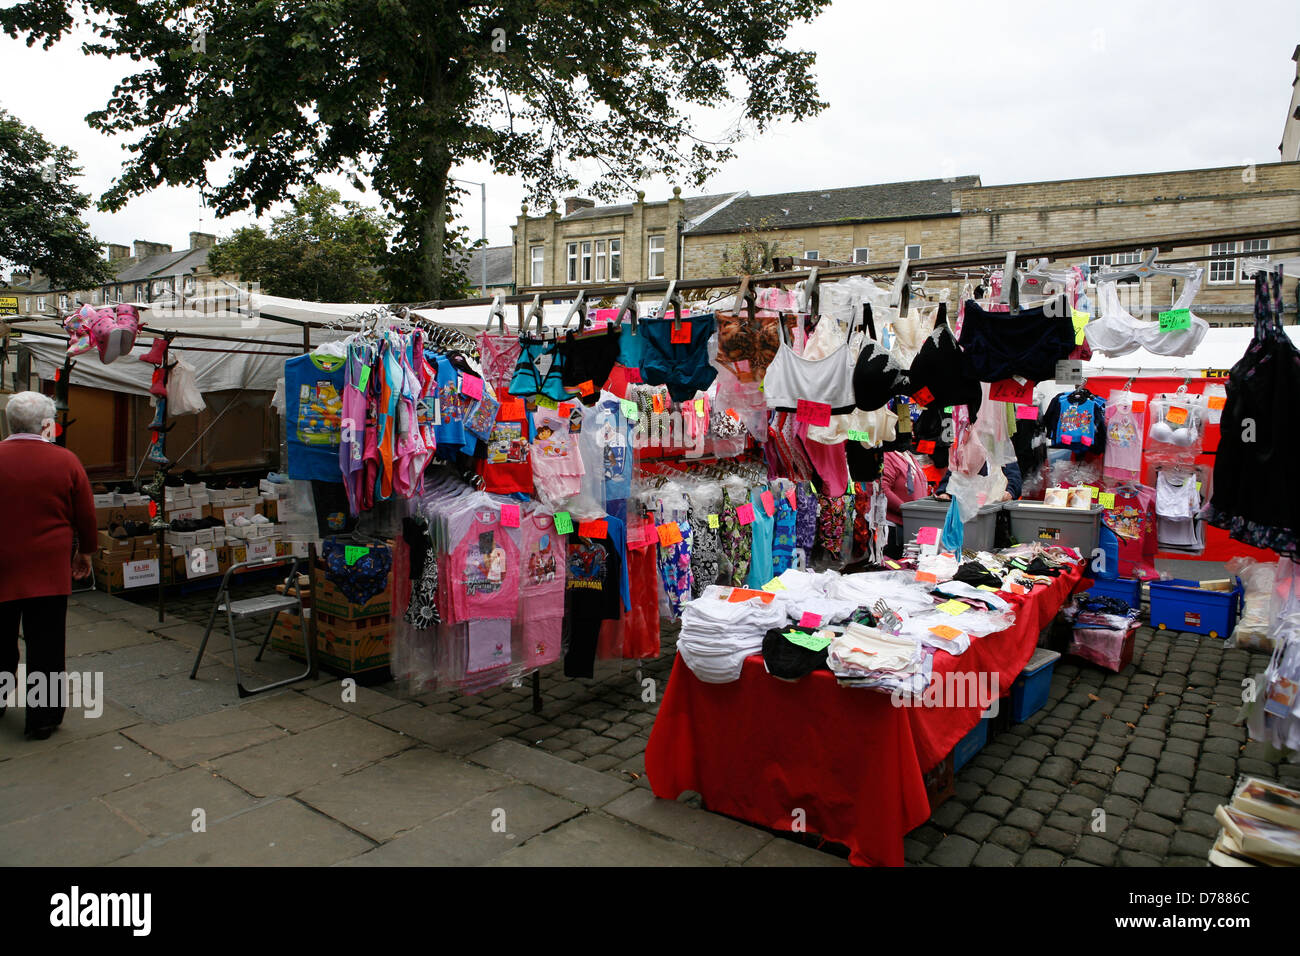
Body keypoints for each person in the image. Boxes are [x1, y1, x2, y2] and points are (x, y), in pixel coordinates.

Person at [0, 392, 98, 739]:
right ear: (46, 425)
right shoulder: (65, 461)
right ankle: (42, 719)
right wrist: (85, 553)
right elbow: (86, 515)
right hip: (47, 570)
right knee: (47, 645)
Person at [880, 450, 929, 558]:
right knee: (891, 568)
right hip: (893, 529)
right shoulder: (887, 456)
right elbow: (882, 489)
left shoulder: (907, 454)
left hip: (911, 524)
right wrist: (907, 510)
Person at [934, 460, 1022, 503]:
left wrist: (1010, 492)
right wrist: (945, 493)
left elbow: (1014, 478)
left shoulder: (1001, 450)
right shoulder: (963, 451)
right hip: (964, 508)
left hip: (996, 509)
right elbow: (950, 477)